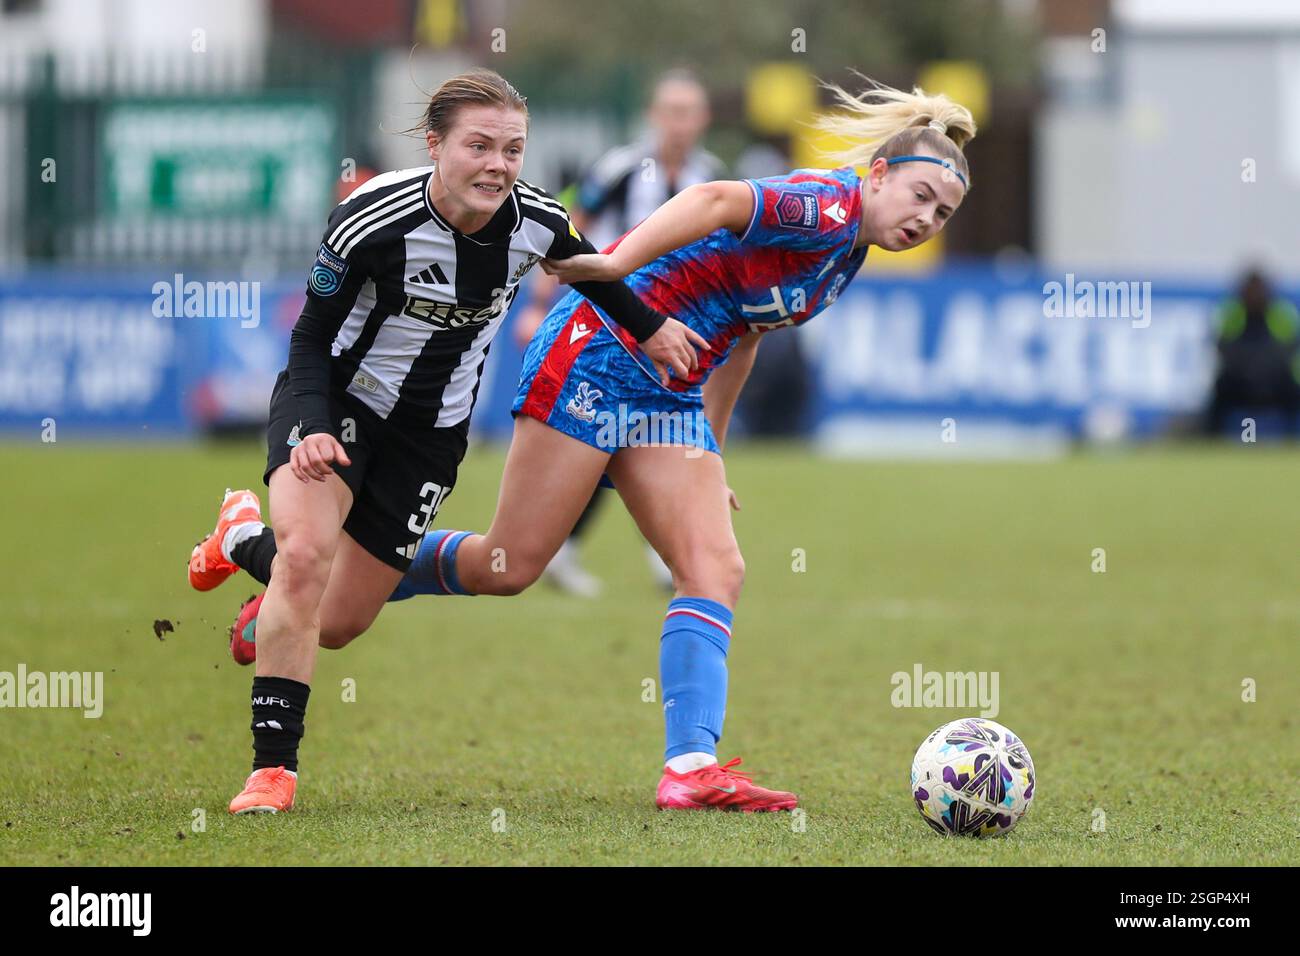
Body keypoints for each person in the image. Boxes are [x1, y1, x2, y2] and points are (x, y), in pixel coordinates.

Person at [222, 78, 975, 812]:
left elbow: (746, 334)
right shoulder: (825, 205)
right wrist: (615, 264)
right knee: (507, 566)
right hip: (601, 351)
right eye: (920, 197)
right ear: (878, 175)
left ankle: (689, 767)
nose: (926, 219)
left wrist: (711, 453)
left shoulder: (847, 252)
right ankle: (266, 552)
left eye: (942, 213)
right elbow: (715, 200)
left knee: (716, 565)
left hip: (671, 387)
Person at [186, 68, 707, 815]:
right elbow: (308, 338)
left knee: (335, 622)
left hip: (430, 437)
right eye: (480, 146)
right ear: (436, 145)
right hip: (338, 404)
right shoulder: (371, 218)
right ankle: (273, 772)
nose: (498, 164)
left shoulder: (534, 221)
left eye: (514, 148)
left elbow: (591, 269)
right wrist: (318, 426)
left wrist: (651, 328)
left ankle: (239, 539)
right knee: (303, 559)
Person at [514, 68, 727, 596]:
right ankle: (589, 547)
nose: (680, 123)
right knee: (607, 433)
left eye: (690, 112)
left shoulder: (714, 176)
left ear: (703, 119)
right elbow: (565, 226)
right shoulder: (621, 167)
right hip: (610, 320)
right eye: (670, 111)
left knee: (658, 430)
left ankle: (664, 549)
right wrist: (537, 306)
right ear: (654, 116)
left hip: (680, 324)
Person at [1203, 268, 1300, 436]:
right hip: (1241, 381)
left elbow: (1289, 350)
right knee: (1220, 389)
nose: (1254, 295)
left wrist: (1264, 369)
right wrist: (1249, 368)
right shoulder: (1232, 314)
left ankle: (1292, 438)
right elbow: (1222, 348)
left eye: (1258, 290)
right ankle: (1212, 439)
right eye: (1250, 290)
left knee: (1294, 390)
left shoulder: (1281, 314)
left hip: (1274, 381)